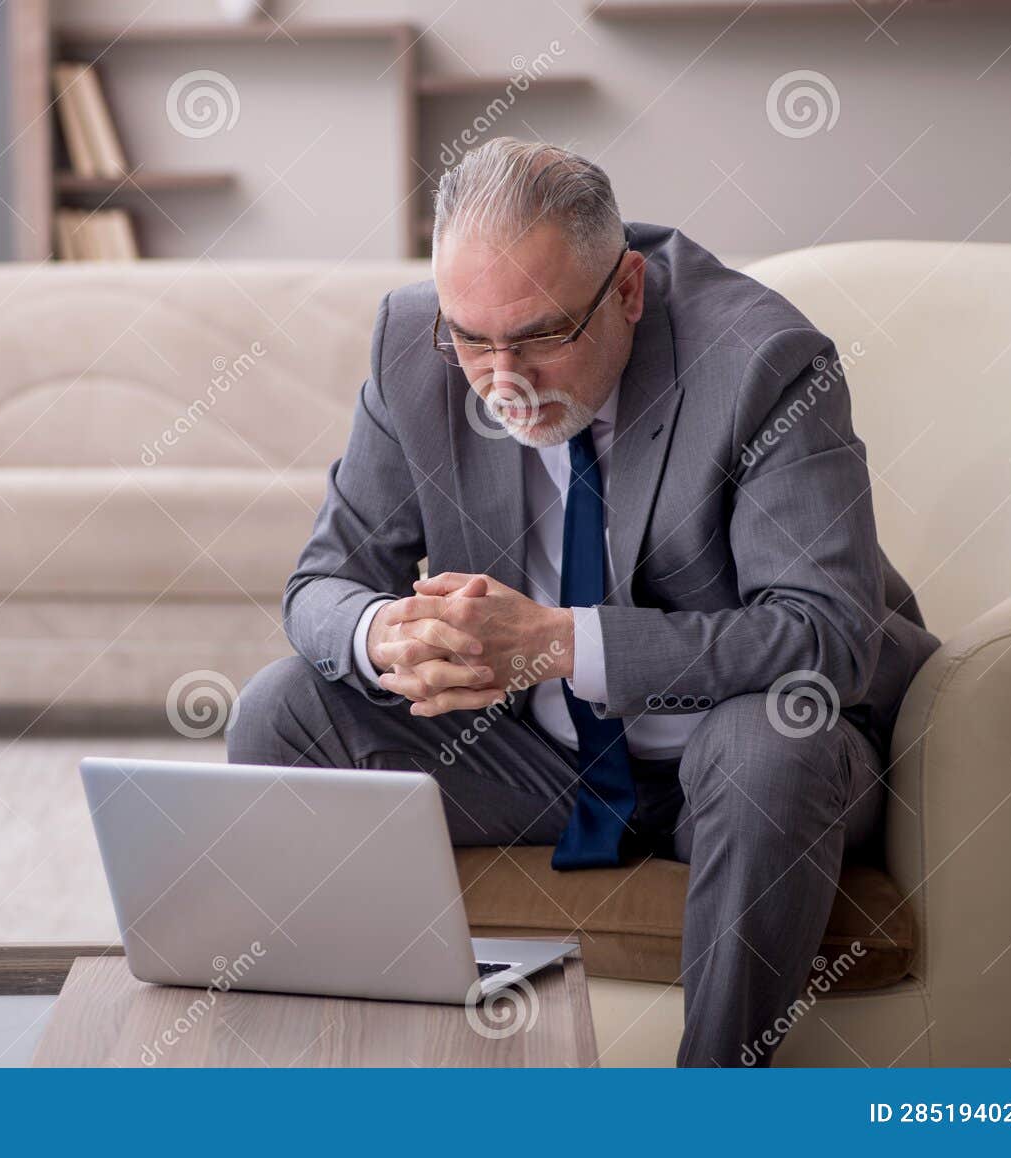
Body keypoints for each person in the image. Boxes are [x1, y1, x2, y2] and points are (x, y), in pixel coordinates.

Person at [226, 137, 939, 1066]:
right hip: (537, 764)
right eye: (471, 339)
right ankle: (335, 1079)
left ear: (629, 291)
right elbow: (321, 584)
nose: (503, 378)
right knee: (281, 709)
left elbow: (826, 634)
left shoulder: (763, 361)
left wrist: (562, 643)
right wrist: (383, 633)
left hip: (733, 765)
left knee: (775, 738)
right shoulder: (412, 343)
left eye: (539, 336)